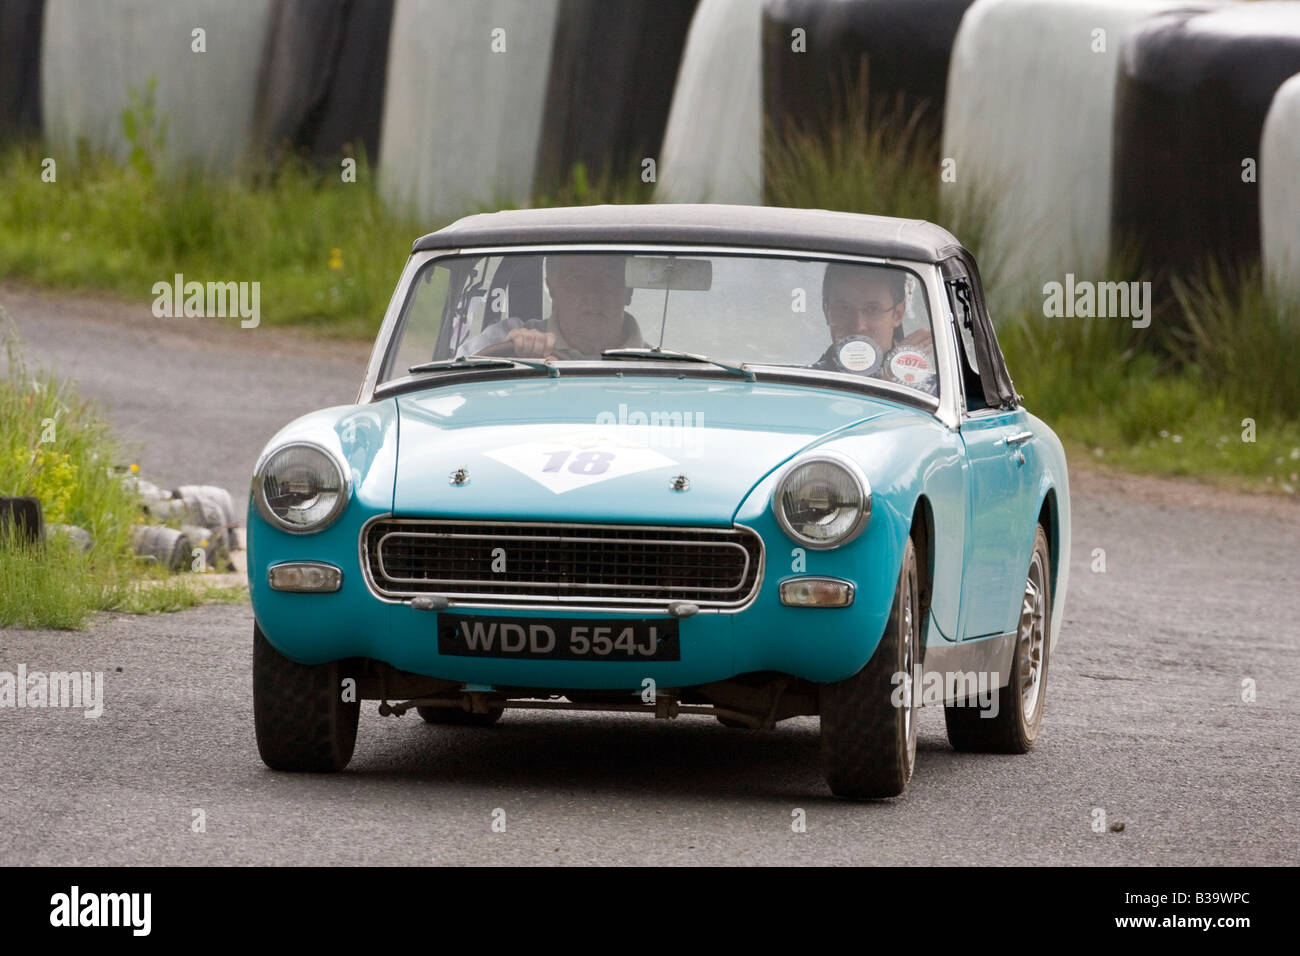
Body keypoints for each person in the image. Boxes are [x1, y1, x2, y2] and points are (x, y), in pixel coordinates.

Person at [456, 254, 645, 359]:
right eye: (577, 278)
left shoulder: (663, 366)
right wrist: (510, 360)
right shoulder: (505, 337)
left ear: (628, 291)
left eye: (608, 278)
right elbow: (451, 381)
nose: (592, 294)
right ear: (552, 288)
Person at [811, 262, 936, 393]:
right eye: (844, 309)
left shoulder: (931, 390)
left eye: (872, 310)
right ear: (827, 312)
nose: (858, 326)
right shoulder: (804, 384)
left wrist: (901, 370)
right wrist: (888, 381)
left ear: (897, 314)